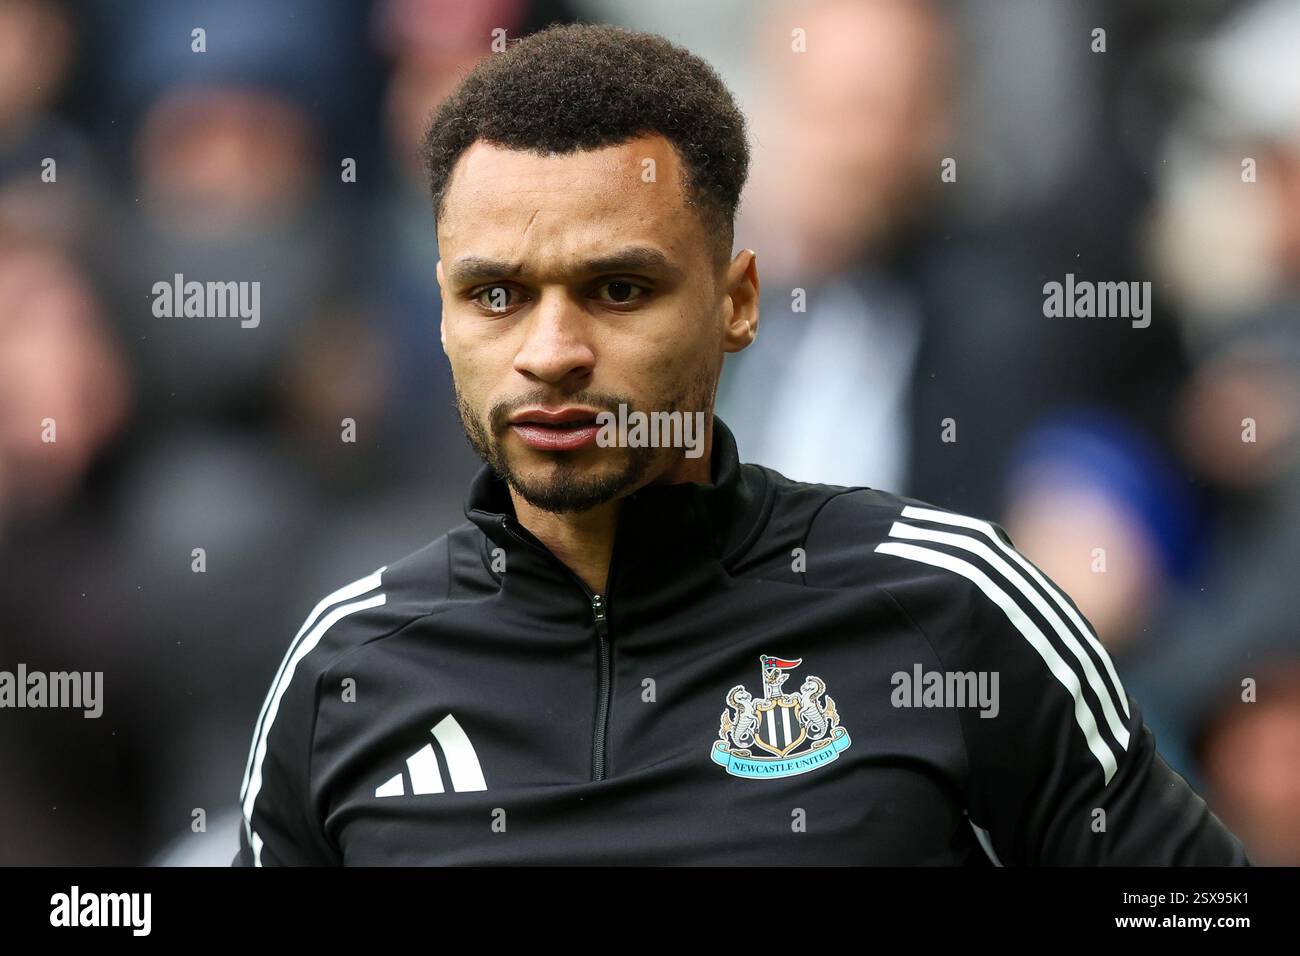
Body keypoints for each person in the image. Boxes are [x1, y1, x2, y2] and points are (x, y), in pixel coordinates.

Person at [234, 24, 1248, 866]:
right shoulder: (345, 670)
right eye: (496, 294)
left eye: (617, 288)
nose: (550, 352)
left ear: (737, 302)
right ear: (442, 312)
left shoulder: (952, 606)